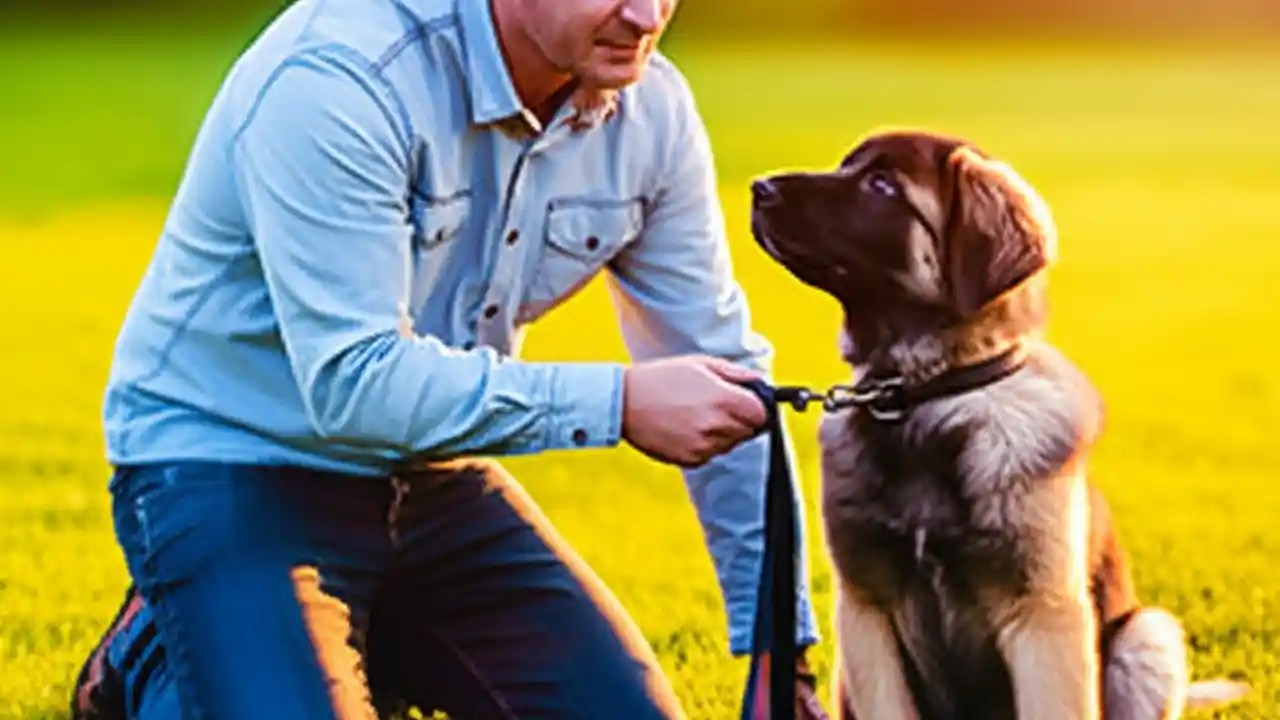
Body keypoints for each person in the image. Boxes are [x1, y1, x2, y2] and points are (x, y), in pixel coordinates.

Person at [71, 0, 828, 717]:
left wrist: (779, 654)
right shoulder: (340, 79)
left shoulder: (649, 111)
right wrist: (620, 403)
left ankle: (324, 635)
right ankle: (158, 638)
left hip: (433, 471)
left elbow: (721, 366)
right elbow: (353, 383)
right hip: (234, 462)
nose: (644, 17)